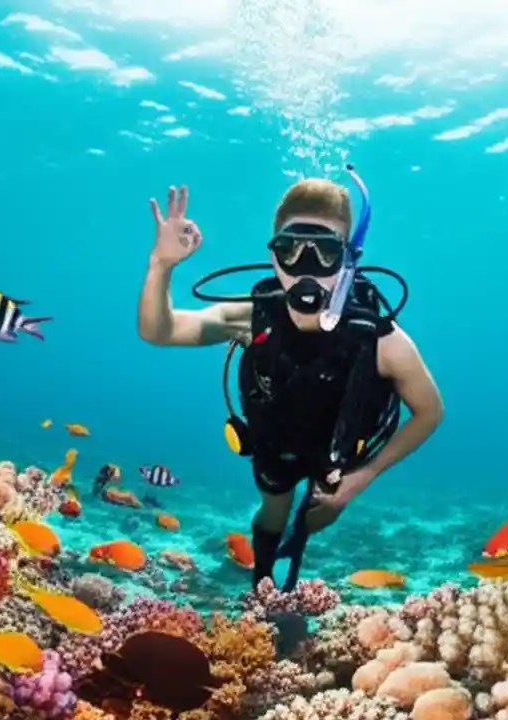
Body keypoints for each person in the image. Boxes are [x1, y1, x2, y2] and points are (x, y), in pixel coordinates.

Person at [137, 179, 444, 591]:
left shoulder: (382, 340)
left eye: (326, 252)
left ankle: (299, 538)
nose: (306, 268)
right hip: (274, 444)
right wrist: (161, 265)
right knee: (273, 512)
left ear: (348, 258)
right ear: (273, 255)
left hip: (340, 456)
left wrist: (362, 478)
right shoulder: (251, 316)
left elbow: (430, 411)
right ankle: (264, 581)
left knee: (317, 515)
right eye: (290, 250)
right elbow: (159, 331)